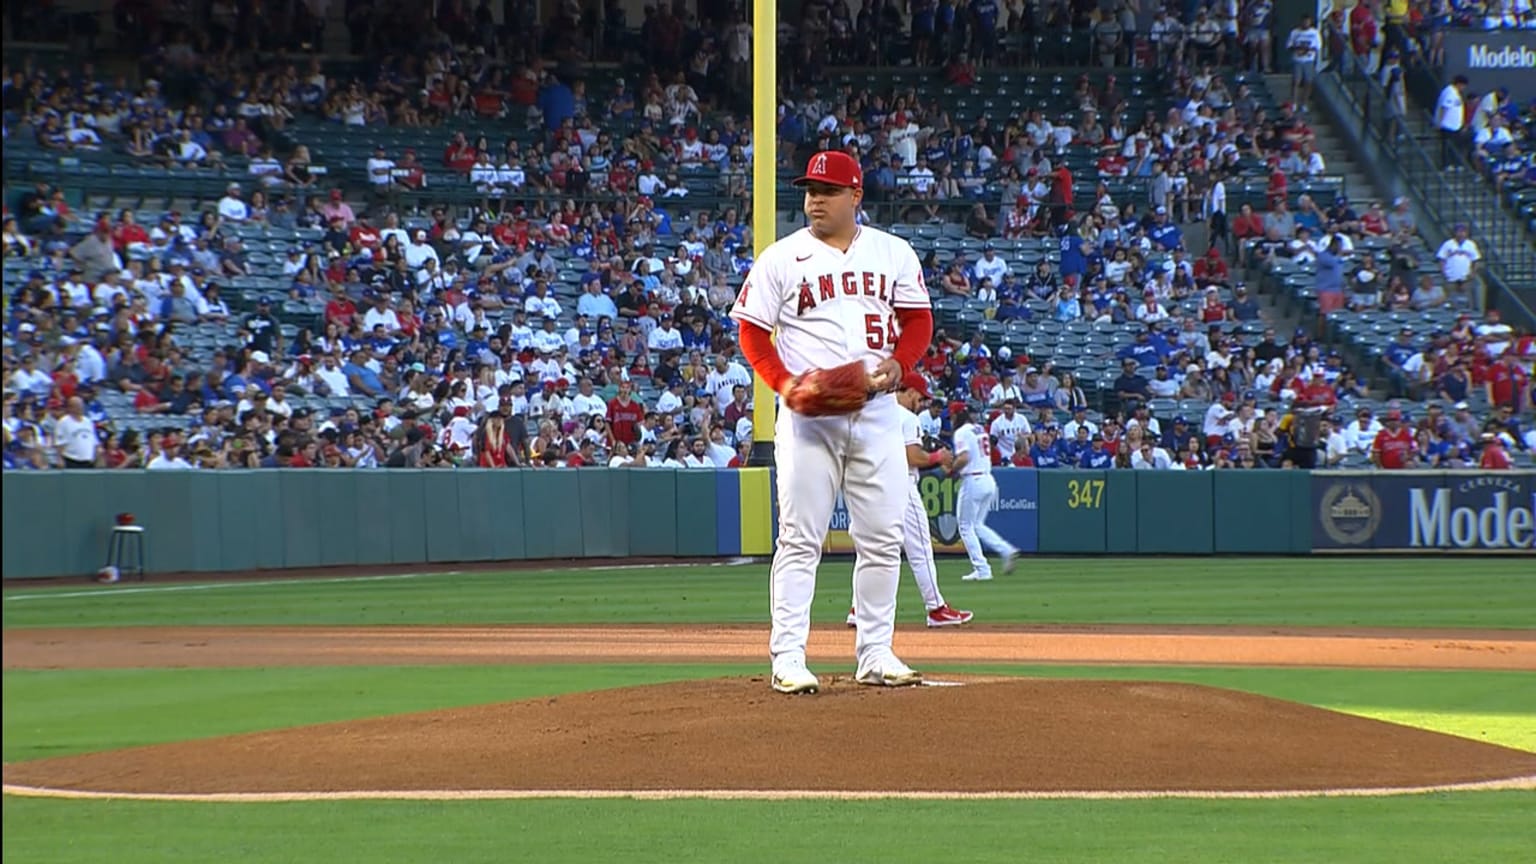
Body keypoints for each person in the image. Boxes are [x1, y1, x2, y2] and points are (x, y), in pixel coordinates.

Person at [730, 150, 935, 694]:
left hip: (875, 412)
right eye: (809, 190)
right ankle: (788, 657)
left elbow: (918, 320)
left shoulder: (893, 252)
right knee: (800, 539)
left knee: (883, 538)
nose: (814, 200)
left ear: (855, 196)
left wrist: (902, 363)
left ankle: (875, 652)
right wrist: (783, 384)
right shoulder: (781, 257)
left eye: (826, 191)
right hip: (810, 419)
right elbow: (752, 332)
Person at [845, 373, 975, 630]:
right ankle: (936, 608)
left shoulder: (870, 413)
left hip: (867, 484)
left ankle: (858, 610)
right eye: (921, 397)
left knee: (870, 550)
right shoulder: (907, 417)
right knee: (921, 550)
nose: (923, 402)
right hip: (900, 485)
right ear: (910, 392)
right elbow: (912, 457)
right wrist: (938, 456)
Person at [947, 406, 1020, 582]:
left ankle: (982, 568)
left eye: (951, 417)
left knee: (965, 526)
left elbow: (964, 458)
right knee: (977, 525)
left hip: (973, 480)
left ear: (956, 416)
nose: (950, 420)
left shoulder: (961, 432)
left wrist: (951, 470)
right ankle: (1006, 550)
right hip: (988, 479)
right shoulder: (979, 429)